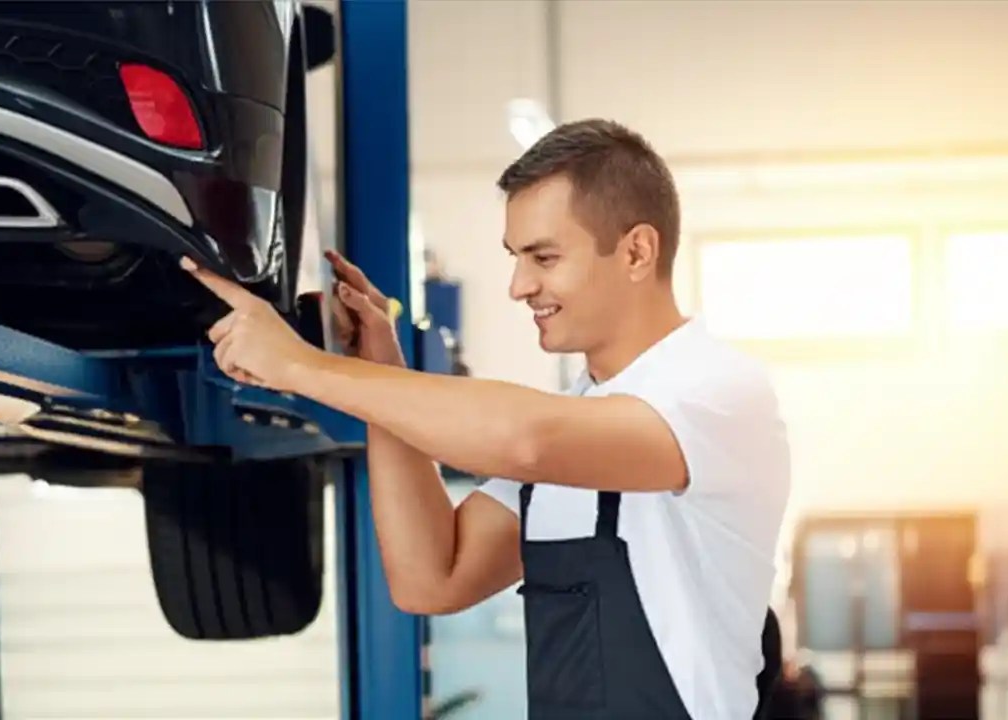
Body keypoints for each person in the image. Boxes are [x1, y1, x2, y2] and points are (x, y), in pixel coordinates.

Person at [179, 118, 792, 719]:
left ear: (636, 251)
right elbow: (432, 577)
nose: (519, 286)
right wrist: (381, 367)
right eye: (515, 258)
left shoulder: (717, 392)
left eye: (544, 258)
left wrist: (302, 368)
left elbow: (526, 439)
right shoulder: (581, 419)